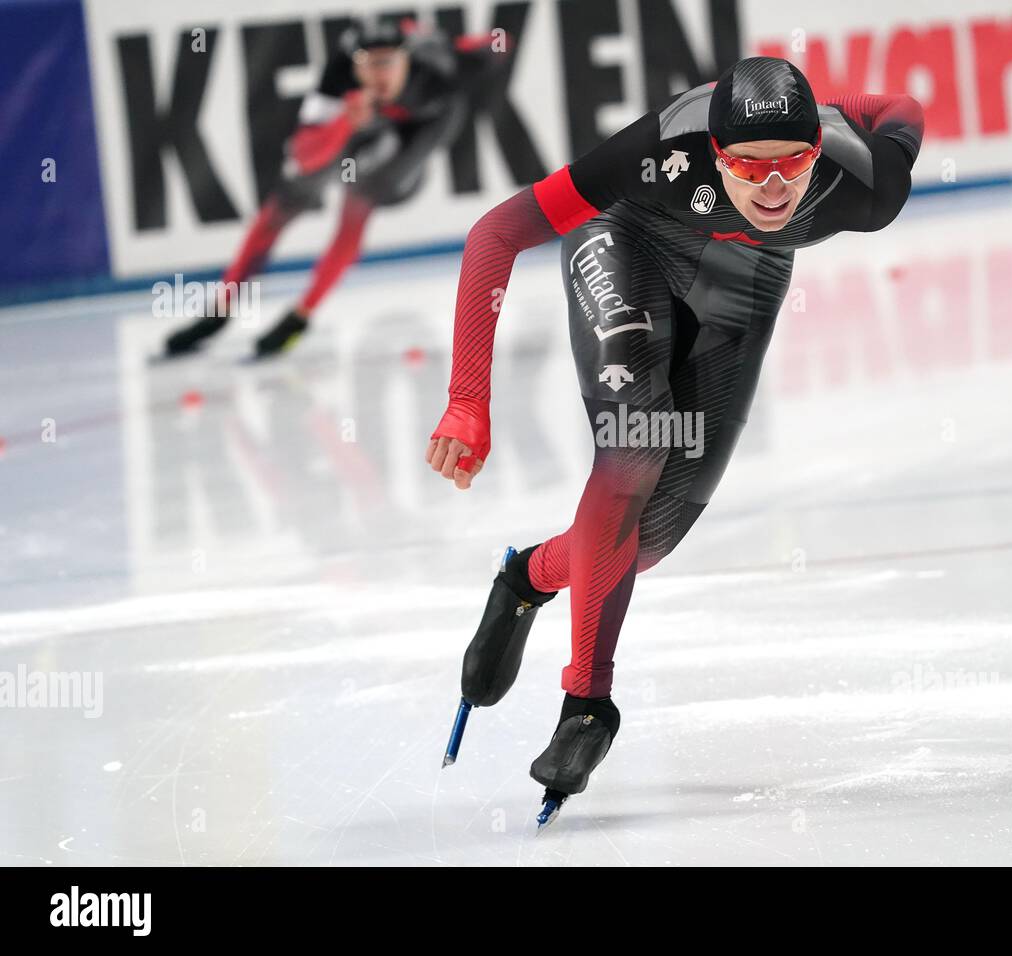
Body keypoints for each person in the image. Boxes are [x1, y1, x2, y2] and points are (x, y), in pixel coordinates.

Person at [429, 56, 924, 822]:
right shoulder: (658, 151)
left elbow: (901, 104)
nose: (770, 187)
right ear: (714, 155)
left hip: (744, 279)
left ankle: (528, 577)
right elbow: (496, 234)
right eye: (747, 167)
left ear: (817, 152)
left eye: (791, 165)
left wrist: (836, 108)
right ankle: (587, 706)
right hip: (624, 238)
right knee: (635, 447)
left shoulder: (864, 186)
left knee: (645, 541)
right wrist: (467, 402)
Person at [162, 17, 509, 359]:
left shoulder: (439, 63)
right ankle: (221, 308)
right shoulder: (338, 76)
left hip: (426, 125)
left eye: (388, 63)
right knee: (284, 202)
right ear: (354, 66)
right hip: (363, 118)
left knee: (359, 200)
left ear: (407, 58)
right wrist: (344, 121)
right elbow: (304, 155)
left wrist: (485, 44)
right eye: (369, 65)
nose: (379, 75)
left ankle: (301, 316)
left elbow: (496, 44)